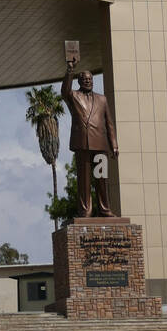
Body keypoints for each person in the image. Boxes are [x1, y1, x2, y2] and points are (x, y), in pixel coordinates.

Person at [60, 56, 118, 218]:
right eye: (84, 79)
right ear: (79, 81)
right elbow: (64, 91)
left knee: (102, 178)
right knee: (84, 181)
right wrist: (70, 70)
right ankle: (85, 211)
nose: (87, 81)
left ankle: (105, 209)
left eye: (90, 79)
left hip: (100, 144)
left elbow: (109, 123)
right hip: (82, 144)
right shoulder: (74, 96)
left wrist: (114, 144)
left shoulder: (102, 99)